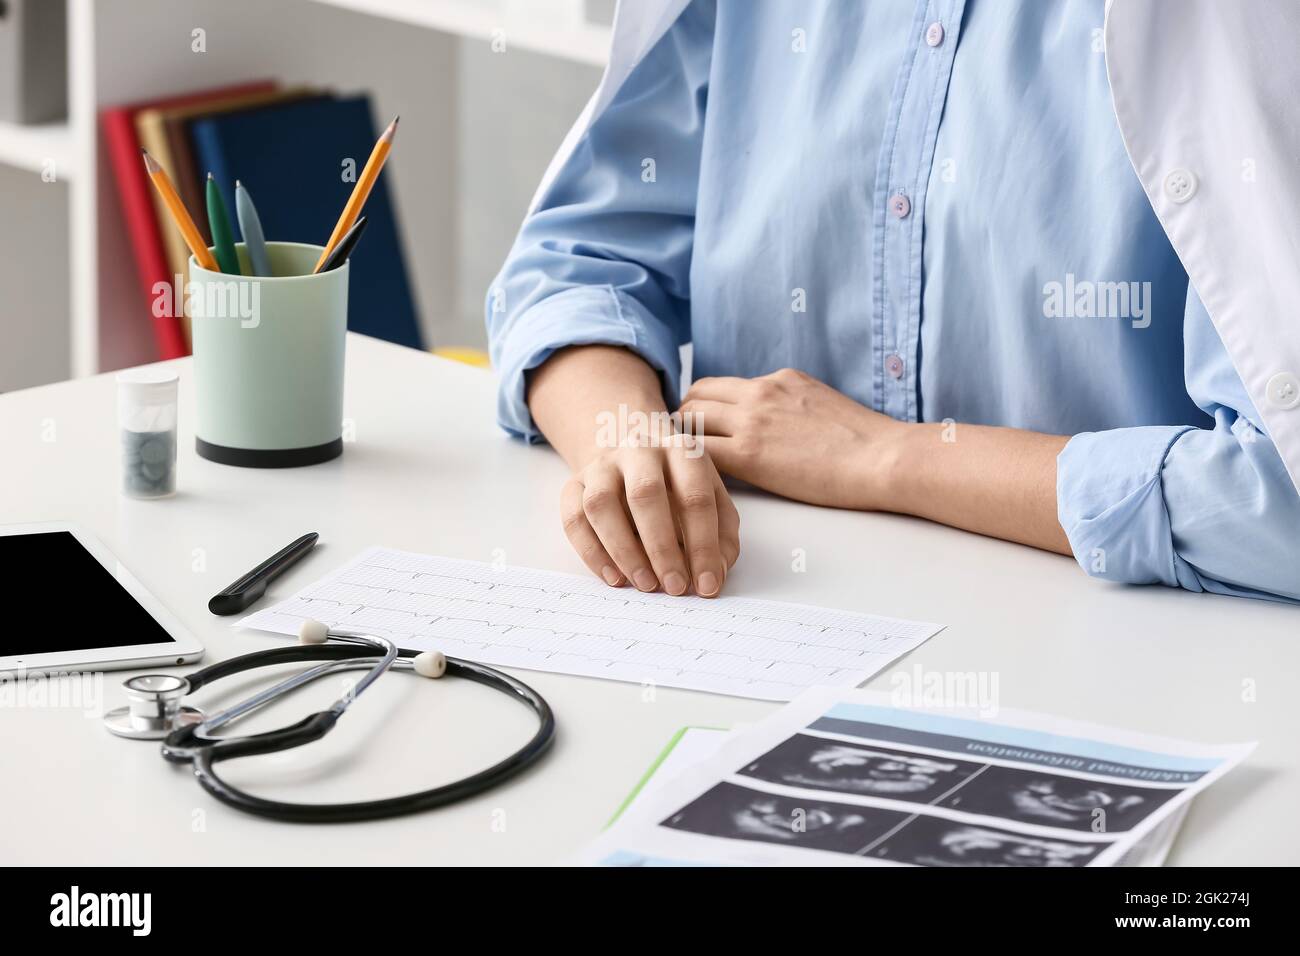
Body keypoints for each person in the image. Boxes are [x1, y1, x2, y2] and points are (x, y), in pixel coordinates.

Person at [487, 0, 1300, 603]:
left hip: (1111, 654)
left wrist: (888, 457)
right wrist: (625, 445)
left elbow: (1274, 500)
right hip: (741, 613)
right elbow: (576, 264)